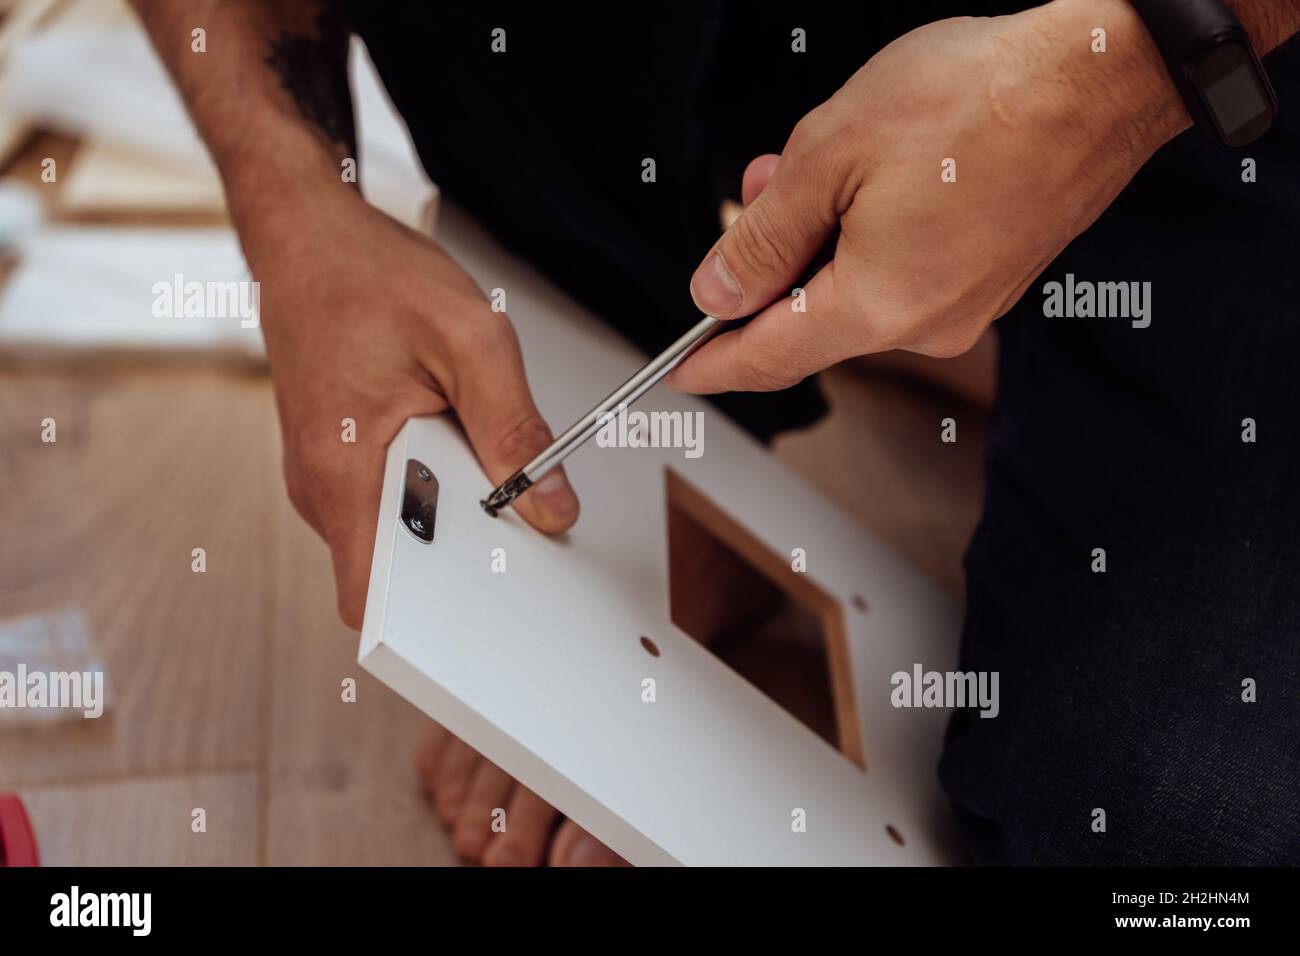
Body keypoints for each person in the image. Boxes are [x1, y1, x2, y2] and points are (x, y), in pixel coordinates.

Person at [131, 0, 1300, 866]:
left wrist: (1119, 67)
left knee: (1174, 834)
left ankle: (966, 311)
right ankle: (741, 429)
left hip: (1221, 78)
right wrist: (293, 207)